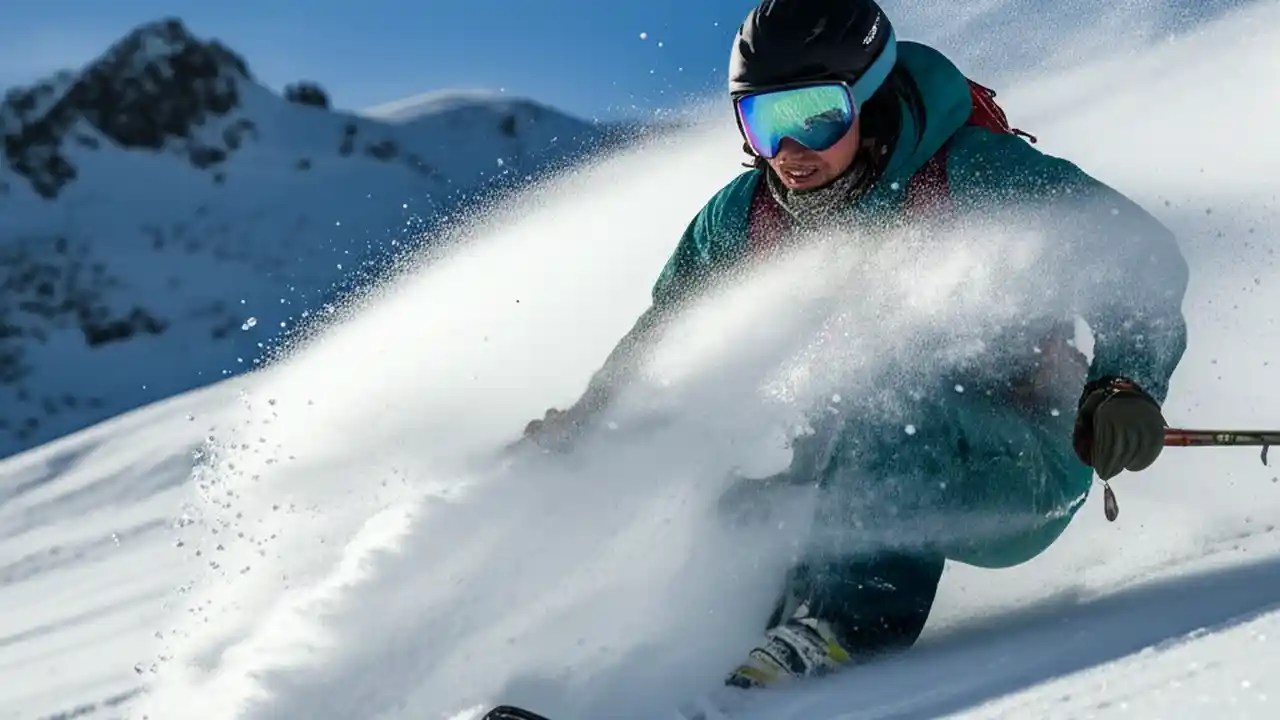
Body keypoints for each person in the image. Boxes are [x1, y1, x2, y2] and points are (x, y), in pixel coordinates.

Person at [524, 0, 1188, 689]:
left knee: (885, 393)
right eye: (762, 120)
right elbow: (669, 341)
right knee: (735, 492)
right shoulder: (744, 216)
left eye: (816, 116)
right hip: (849, 458)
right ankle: (685, 652)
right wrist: (591, 421)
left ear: (866, 101)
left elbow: (1135, 259)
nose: (789, 149)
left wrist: (1124, 384)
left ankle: (836, 634)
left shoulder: (970, 175)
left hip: (1023, 463)